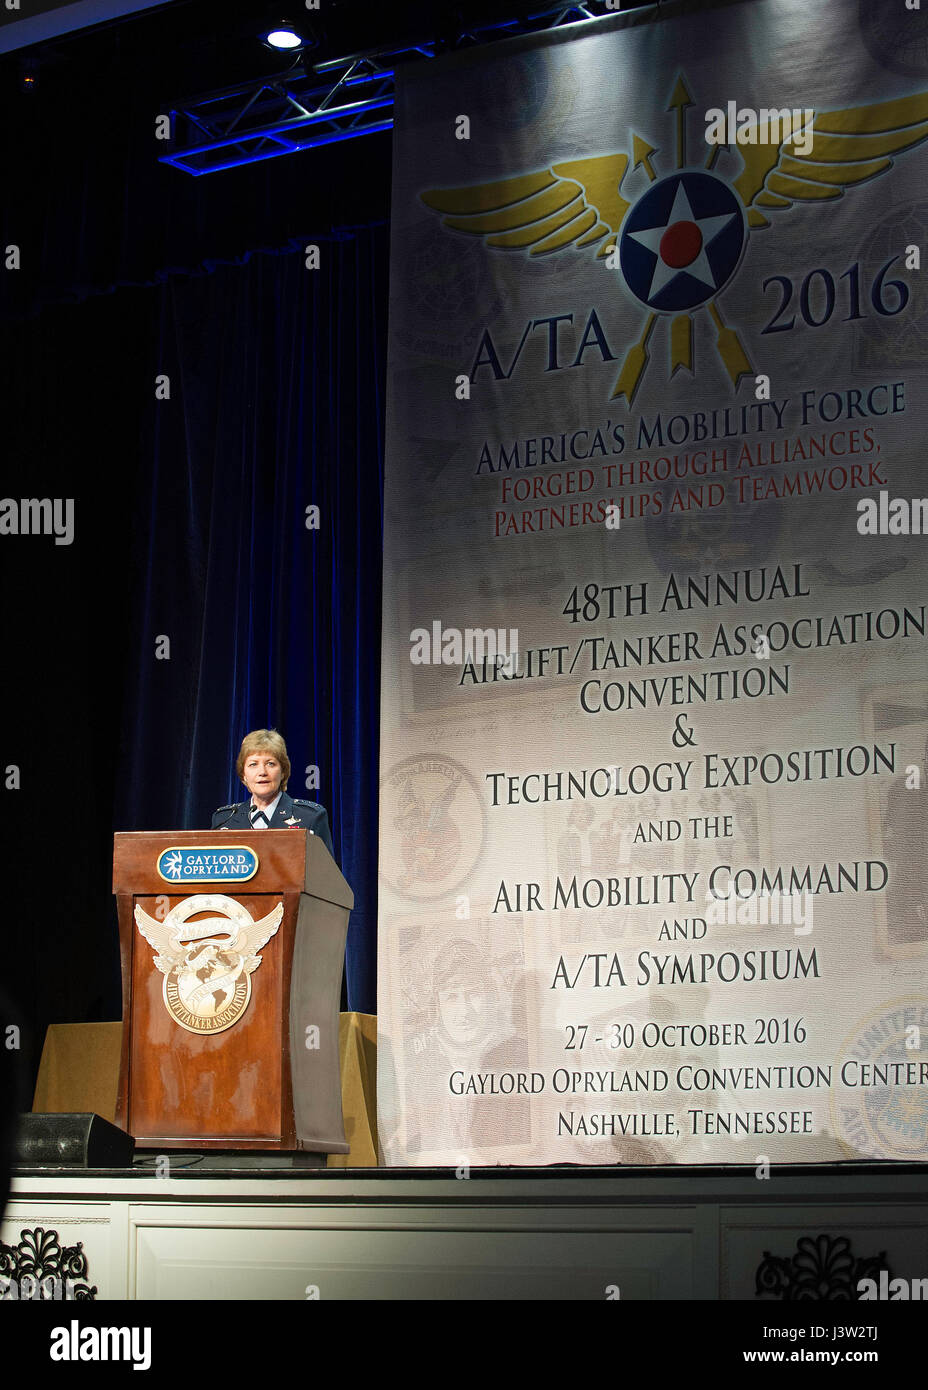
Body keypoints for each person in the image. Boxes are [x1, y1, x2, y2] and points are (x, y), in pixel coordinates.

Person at [211, 728, 335, 858]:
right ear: (243, 774)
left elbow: (325, 874)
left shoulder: (310, 817)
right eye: (253, 764)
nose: (262, 772)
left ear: (283, 772)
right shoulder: (224, 820)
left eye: (270, 764)